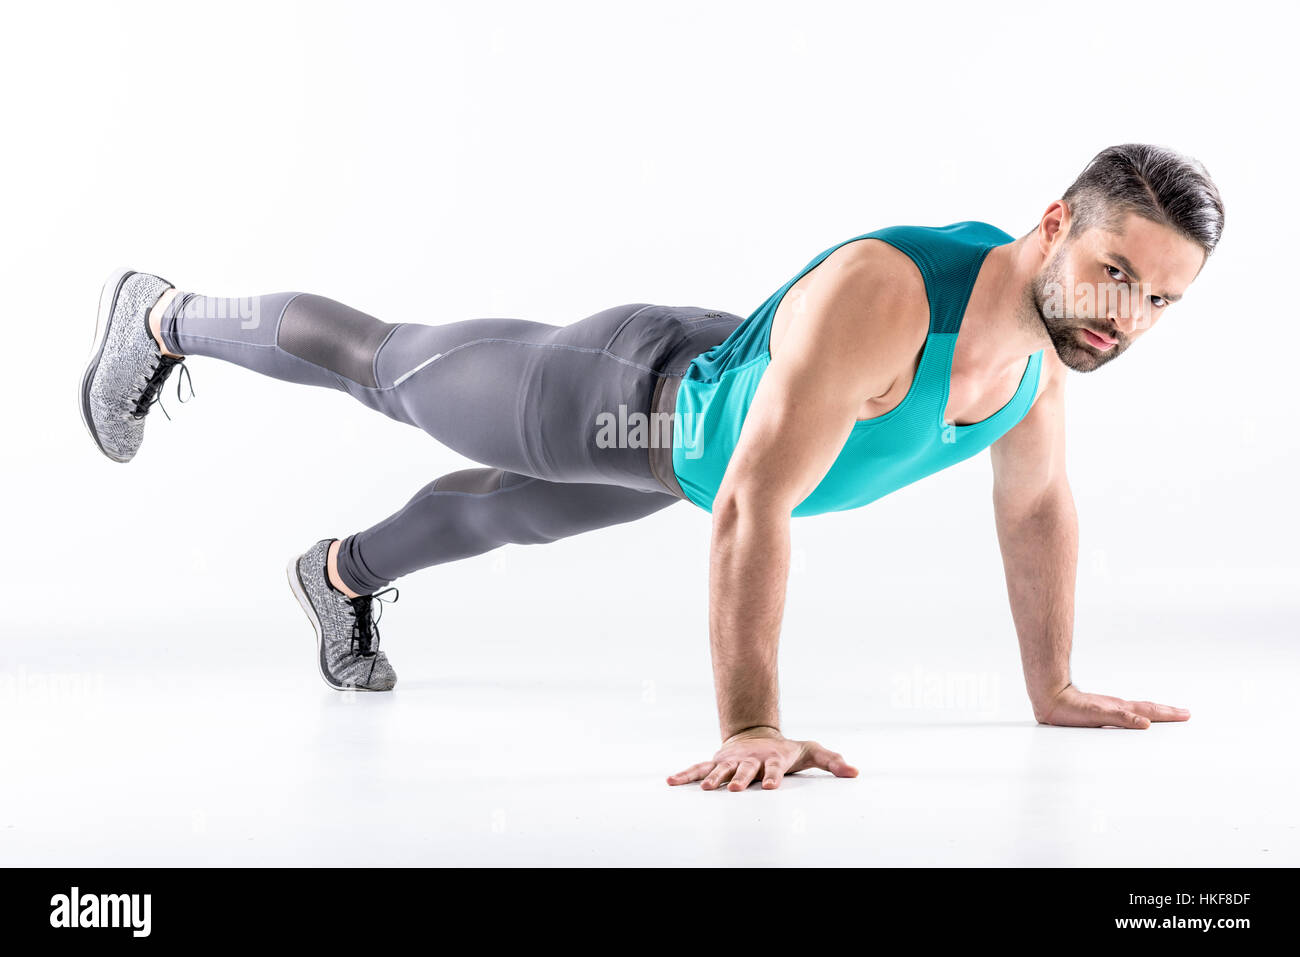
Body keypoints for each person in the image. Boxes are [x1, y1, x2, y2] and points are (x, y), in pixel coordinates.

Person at [79, 143, 1223, 792]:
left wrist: (1053, 687)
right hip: (618, 392)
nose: (1126, 314)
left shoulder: (1043, 352)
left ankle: (335, 577)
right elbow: (757, 504)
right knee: (388, 370)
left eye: (1159, 300)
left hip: (691, 451)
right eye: (1117, 271)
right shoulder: (892, 293)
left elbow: (1033, 509)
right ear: (1055, 224)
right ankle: (169, 314)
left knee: (508, 521)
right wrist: (750, 727)